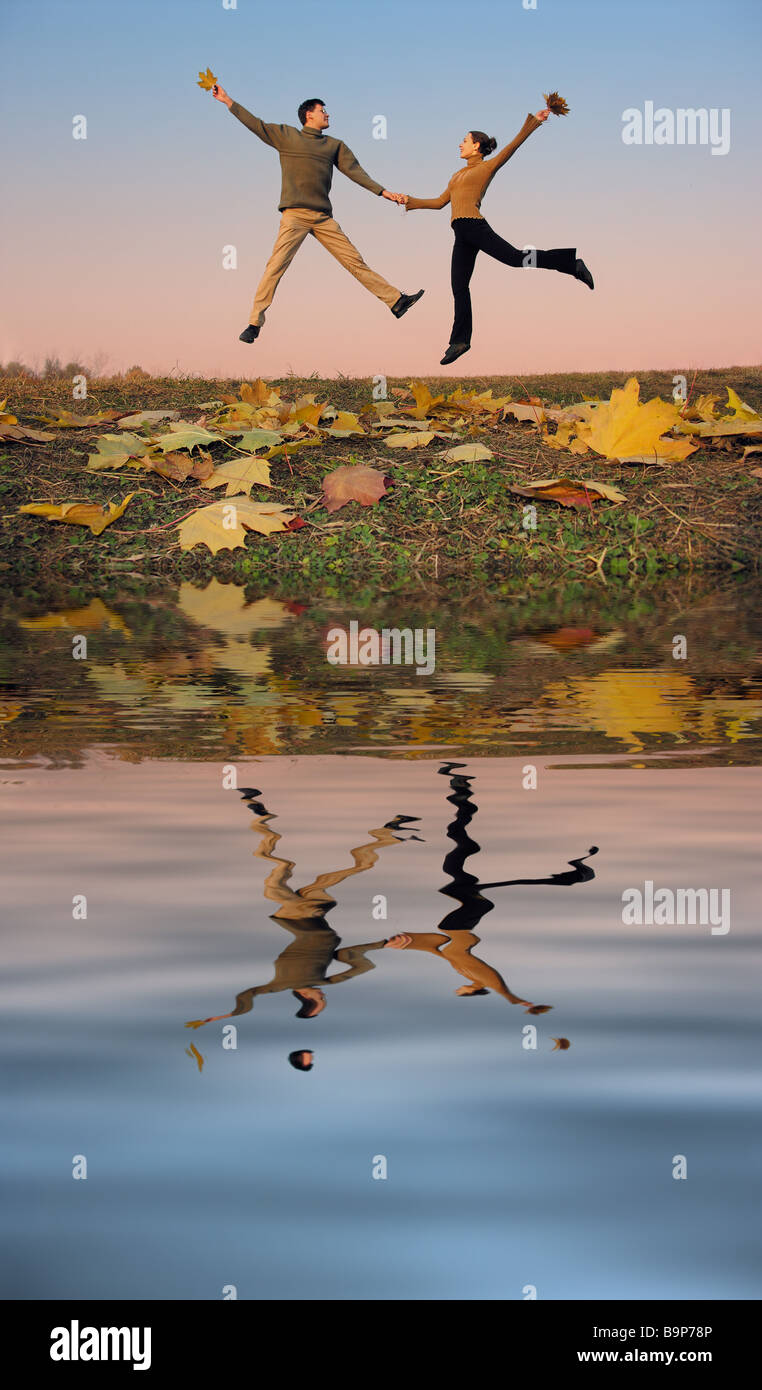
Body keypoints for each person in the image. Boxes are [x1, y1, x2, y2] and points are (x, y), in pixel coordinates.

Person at [211, 83, 424, 341]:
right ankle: (254, 323)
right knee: (275, 267)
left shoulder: (334, 146)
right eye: (323, 110)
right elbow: (256, 124)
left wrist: (383, 192)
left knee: (354, 261)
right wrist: (227, 100)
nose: (328, 114)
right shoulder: (286, 136)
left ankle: (396, 302)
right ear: (308, 115)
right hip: (295, 216)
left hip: (323, 218)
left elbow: (356, 172)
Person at [403, 107, 594, 365]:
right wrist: (408, 200)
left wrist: (534, 122)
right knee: (458, 285)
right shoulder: (456, 175)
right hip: (461, 233)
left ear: (477, 146)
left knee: (516, 258)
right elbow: (439, 203)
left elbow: (511, 148)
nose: (460, 144)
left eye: (465, 140)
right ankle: (460, 341)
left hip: (475, 226)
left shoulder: (486, 167)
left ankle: (571, 264)